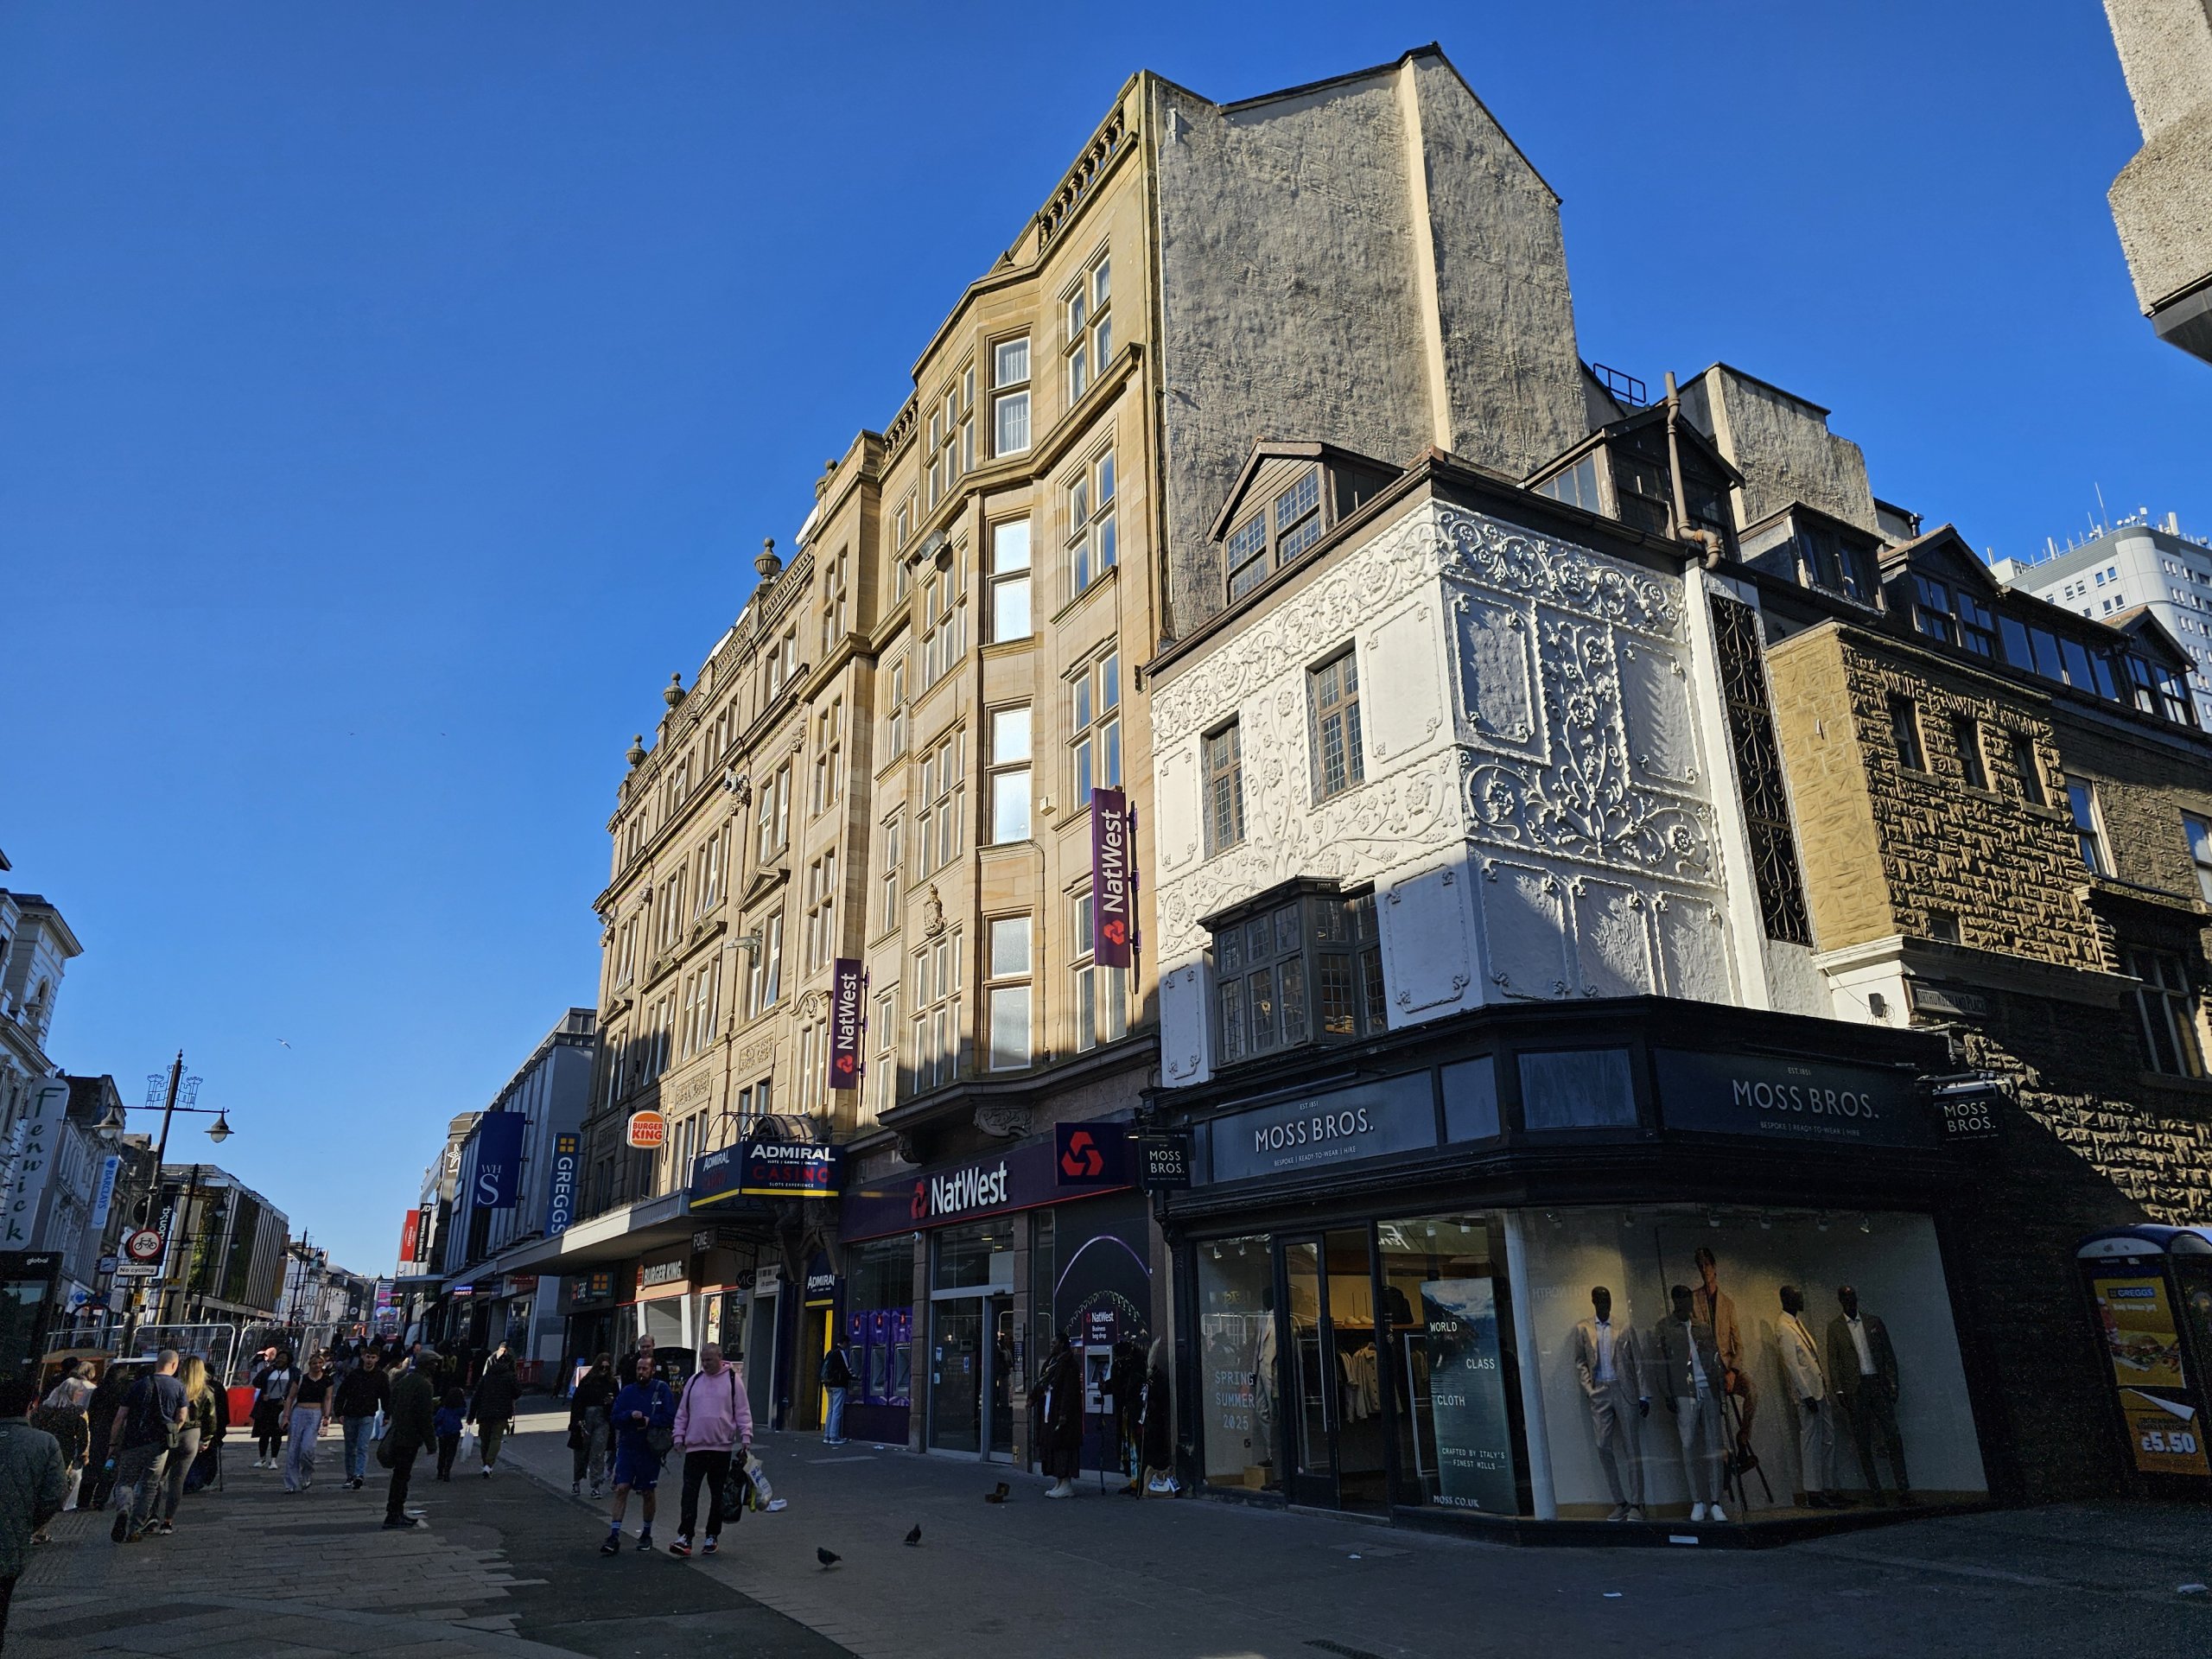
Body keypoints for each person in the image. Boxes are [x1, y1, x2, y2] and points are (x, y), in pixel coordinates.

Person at [0, 1374, 68, 1647]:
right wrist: (27, 1521)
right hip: (9, 1542)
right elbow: (55, 1495)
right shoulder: (44, 1442)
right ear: (32, 1404)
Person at [667, 1342, 751, 1559]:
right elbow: (683, 1412)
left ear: (720, 1357)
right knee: (689, 1493)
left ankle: (712, 1536)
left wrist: (746, 1438)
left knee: (717, 1495)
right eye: (703, 1360)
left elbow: (742, 1411)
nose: (705, 1364)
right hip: (695, 1447)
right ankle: (685, 1535)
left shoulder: (733, 1380)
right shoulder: (694, 1381)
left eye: (709, 1360)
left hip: (720, 1448)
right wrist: (678, 1436)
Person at [108, 1348, 187, 1543]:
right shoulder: (178, 1387)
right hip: (159, 1444)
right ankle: (135, 1528)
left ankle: (124, 1508)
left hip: (132, 1441)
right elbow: (182, 1416)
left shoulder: (138, 1385)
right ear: (175, 1365)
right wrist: (174, 1430)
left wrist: (112, 1442)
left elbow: (120, 1417)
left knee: (125, 1481)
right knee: (149, 1486)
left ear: (156, 1364)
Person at [601, 1352, 675, 1555]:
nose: (641, 1372)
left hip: (649, 1450)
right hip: (628, 1447)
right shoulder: (627, 1392)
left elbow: (670, 1416)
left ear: (653, 1370)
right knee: (622, 1488)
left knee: (648, 1492)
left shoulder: (662, 1390)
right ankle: (614, 1535)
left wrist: (651, 1421)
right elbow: (615, 1417)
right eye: (638, 1369)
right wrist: (629, 1416)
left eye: (645, 1369)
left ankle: (646, 1533)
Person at [151, 1356, 219, 1535]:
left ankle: (151, 1515)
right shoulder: (206, 1391)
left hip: (171, 1431)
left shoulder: (174, 1387)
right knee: (178, 1481)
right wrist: (207, 1439)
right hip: (192, 1435)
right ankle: (168, 1521)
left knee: (158, 1476)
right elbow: (211, 1419)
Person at [30, 1359, 92, 1520]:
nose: (81, 1394)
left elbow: (32, 1427)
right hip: (64, 1451)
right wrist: (84, 1455)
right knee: (56, 1485)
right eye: (79, 1392)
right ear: (72, 1393)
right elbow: (84, 1439)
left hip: (39, 1449)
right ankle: (42, 1526)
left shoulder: (42, 1409)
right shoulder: (77, 1412)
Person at [383, 1351, 435, 1530]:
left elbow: (392, 1404)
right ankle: (394, 1514)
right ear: (427, 1365)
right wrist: (431, 1443)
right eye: (433, 1364)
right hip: (410, 1437)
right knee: (402, 1477)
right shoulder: (424, 1386)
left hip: (399, 1433)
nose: (436, 1367)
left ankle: (395, 1511)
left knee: (400, 1476)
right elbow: (424, 1417)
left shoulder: (404, 1381)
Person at [332, 1347, 390, 1491]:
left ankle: (359, 1475)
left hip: (367, 1415)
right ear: (363, 1357)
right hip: (350, 1414)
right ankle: (350, 1475)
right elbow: (342, 1393)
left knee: (363, 1446)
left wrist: (387, 1414)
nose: (370, 1360)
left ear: (377, 1359)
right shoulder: (354, 1374)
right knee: (350, 1447)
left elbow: (386, 1396)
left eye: (373, 1357)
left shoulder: (381, 1377)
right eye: (368, 1357)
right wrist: (339, 1412)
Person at [81, 1362, 133, 1510]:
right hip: (115, 1432)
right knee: (110, 1467)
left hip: (97, 1429)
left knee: (92, 1466)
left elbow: (91, 1411)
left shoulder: (99, 1390)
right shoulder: (125, 1391)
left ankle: (83, 1499)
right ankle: (100, 1499)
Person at [282, 1351, 334, 1492]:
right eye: (314, 1363)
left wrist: (326, 1416)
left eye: (320, 1363)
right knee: (293, 1449)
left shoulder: (327, 1380)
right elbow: (290, 1398)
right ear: (309, 1365)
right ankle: (290, 1483)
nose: (317, 1366)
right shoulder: (301, 1379)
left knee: (307, 1449)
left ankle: (307, 1474)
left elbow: (328, 1398)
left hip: (315, 1413)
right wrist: (286, 1417)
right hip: (299, 1413)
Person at [1039, 1334, 1084, 1499]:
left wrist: (1063, 1413)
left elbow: (1069, 1392)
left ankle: (1066, 1483)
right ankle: (1059, 1481)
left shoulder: (1068, 1364)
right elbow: (1043, 1382)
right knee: (1055, 1446)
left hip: (1062, 1415)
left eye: (1054, 1343)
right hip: (1052, 1411)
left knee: (1063, 1447)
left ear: (1063, 1344)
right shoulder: (1054, 1362)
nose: (1051, 1345)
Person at [467, 1347, 520, 1478]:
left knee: (484, 1439)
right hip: (501, 1411)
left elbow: (476, 1396)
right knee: (496, 1438)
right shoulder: (510, 1376)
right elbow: (517, 1392)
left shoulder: (487, 1376)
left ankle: (485, 1463)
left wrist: (471, 1415)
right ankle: (488, 1465)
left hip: (484, 1411)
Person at [569, 1355, 616, 1497]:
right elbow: (577, 1402)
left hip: (602, 1419)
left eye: (607, 1368)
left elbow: (616, 1401)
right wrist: (578, 1420)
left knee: (598, 1452)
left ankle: (595, 1485)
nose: (604, 1370)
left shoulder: (611, 1383)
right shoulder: (587, 1382)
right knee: (581, 1452)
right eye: (601, 1367)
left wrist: (610, 1404)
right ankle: (576, 1480)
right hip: (586, 1419)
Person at [1139, 1338, 1176, 1496]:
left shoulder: (1157, 1379)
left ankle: (1153, 1485)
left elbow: (1157, 1398)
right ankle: (1145, 1484)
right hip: (1148, 1422)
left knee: (1155, 1454)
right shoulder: (1146, 1377)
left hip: (1155, 1424)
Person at [251, 1348, 297, 1468]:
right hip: (266, 1405)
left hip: (281, 1406)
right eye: (279, 1357)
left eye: (283, 1358)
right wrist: (265, 1372)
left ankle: (273, 1460)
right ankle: (262, 1458)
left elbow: (296, 1387)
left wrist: (287, 1400)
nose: (280, 1360)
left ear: (288, 1360)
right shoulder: (269, 1370)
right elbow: (256, 1383)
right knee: (264, 1433)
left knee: (277, 1433)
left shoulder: (293, 1372)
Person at [819, 1341, 854, 1447]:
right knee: (837, 1411)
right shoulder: (841, 1353)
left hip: (828, 1384)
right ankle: (834, 1437)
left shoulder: (830, 1352)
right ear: (844, 1343)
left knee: (830, 1410)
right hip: (838, 1385)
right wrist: (855, 1378)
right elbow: (847, 1370)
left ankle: (827, 1436)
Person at [434, 1389, 466, 1480]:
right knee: (451, 1452)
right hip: (454, 1432)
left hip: (443, 1433)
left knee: (442, 1452)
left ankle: (440, 1471)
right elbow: (463, 1412)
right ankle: (447, 1471)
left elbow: (436, 1420)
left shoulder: (443, 1409)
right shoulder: (459, 1410)